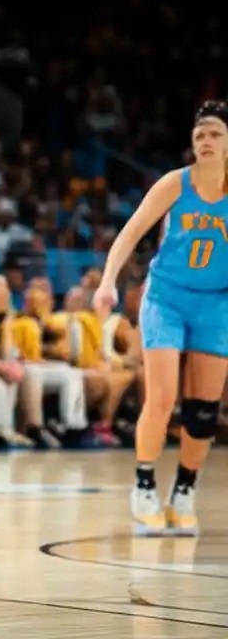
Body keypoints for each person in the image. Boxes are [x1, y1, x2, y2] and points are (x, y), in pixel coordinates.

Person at [95, 99, 228, 536]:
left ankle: (184, 490)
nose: (206, 141)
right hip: (166, 297)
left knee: (204, 411)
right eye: (200, 134)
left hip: (216, 303)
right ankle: (145, 483)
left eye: (215, 134)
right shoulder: (176, 184)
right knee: (162, 397)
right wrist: (107, 281)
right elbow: (131, 233)